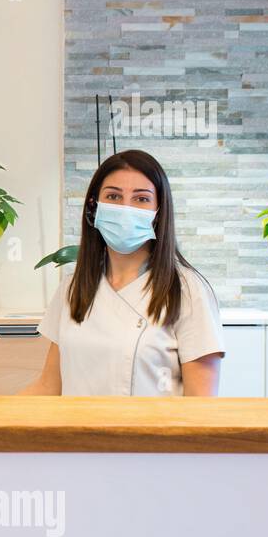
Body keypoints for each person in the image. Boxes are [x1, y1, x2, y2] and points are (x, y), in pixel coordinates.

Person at [20, 149, 224, 396]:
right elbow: (49, 386)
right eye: (114, 196)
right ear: (95, 206)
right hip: (76, 432)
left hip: (151, 434)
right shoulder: (73, 287)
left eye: (141, 199)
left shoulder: (186, 290)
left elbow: (201, 404)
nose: (125, 209)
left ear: (159, 212)